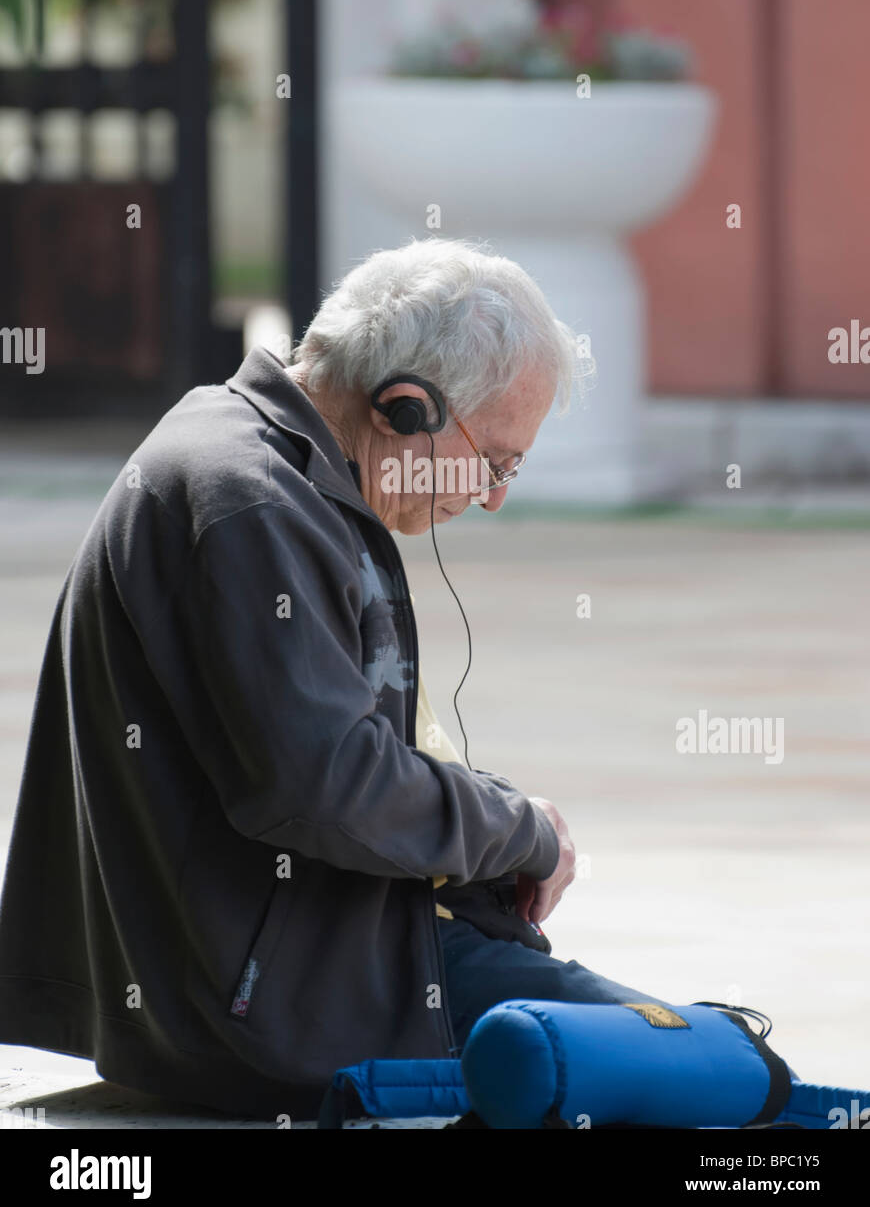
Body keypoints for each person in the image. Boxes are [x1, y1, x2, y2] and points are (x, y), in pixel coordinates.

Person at [0, 236, 666, 1121]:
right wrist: (520, 831)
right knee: (693, 1065)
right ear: (406, 406)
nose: (497, 496)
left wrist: (488, 835)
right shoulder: (252, 502)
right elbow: (322, 786)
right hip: (277, 1010)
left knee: (671, 1051)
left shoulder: (256, 461)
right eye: (497, 460)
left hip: (291, 970)